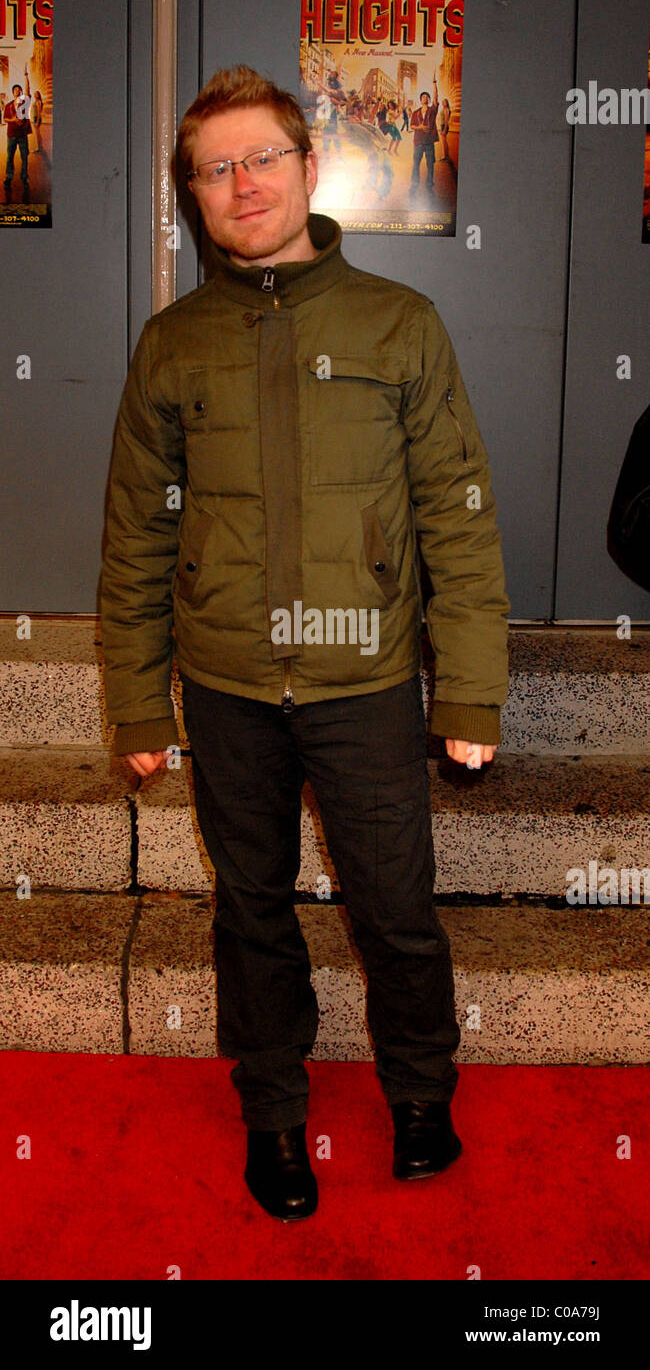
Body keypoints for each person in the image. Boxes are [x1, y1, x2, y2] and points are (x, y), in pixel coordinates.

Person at [100, 64, 510, 1224]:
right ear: (192, 192)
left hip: (367, 685)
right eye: (215, 168)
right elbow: (136, 533)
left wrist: (467, 694)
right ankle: (274, 1113)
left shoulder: (398, 324)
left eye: (261, 158)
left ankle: (421, 1096)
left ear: (308, 164)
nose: (242, 185)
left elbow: (458, 522)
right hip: (225, 686)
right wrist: (138, 705)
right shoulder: (171, 343)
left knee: (393, 910)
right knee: (252, 911)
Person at [3, 66, 31, 202]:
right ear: (13, 92)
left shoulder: (25, 102)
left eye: (19, 89)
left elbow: (28, 90)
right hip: (11, 135)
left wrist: (26, 77)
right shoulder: (8, 106)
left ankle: (24, 178)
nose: (17, 91)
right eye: (15, 90)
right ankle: (8, 178)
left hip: (22, 135)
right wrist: (13, 119)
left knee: (24, 157)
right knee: (10, 158)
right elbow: (5, 119)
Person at [410, 83, 439, 201]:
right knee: (416, 163)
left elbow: (436, 98)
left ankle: (429, 183)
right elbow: (412, 126)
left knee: (430, 164)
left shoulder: (432, 110)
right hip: (418, 142)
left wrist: (434, 84)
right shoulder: (416, 113)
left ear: (429, 99)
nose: (425, 98)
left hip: (429, 142)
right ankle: (415, 181)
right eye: (423, 97)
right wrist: (420, 127)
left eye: (427, 97)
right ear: (420, 100)